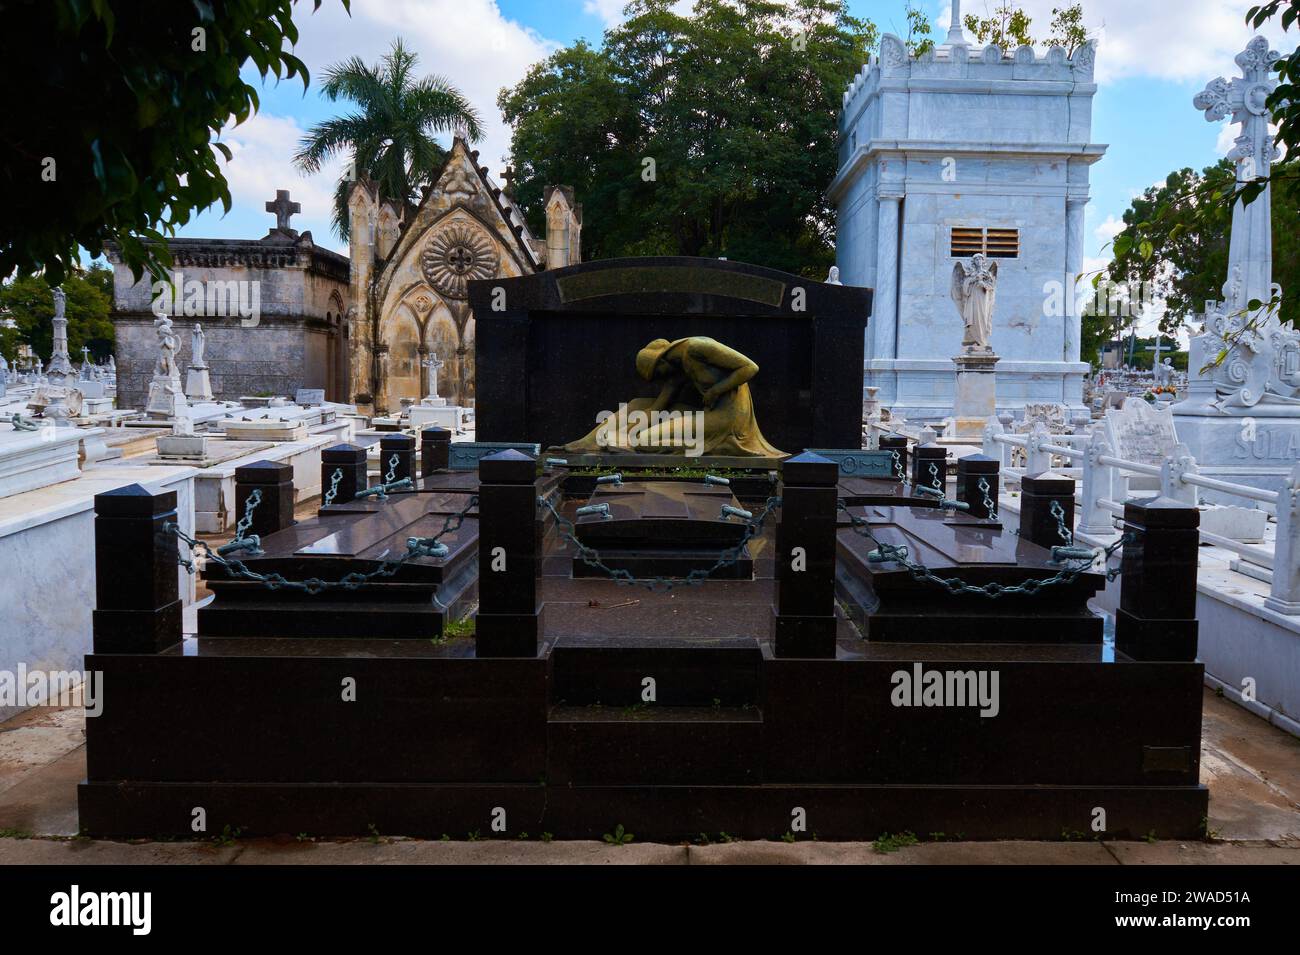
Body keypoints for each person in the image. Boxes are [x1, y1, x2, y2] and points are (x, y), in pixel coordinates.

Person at [561, 336, 785, 457]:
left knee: (644, 439)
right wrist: (626, 428)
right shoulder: (680, 368)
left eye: (657, 374)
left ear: (662, 361)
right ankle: (589, 443)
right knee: (637, 404)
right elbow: (657, 408)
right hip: (708, 412)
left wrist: (716, 390)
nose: (660, 380)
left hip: (728, 418)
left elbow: (750, 368)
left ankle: (635, 443)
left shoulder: (698, 347)